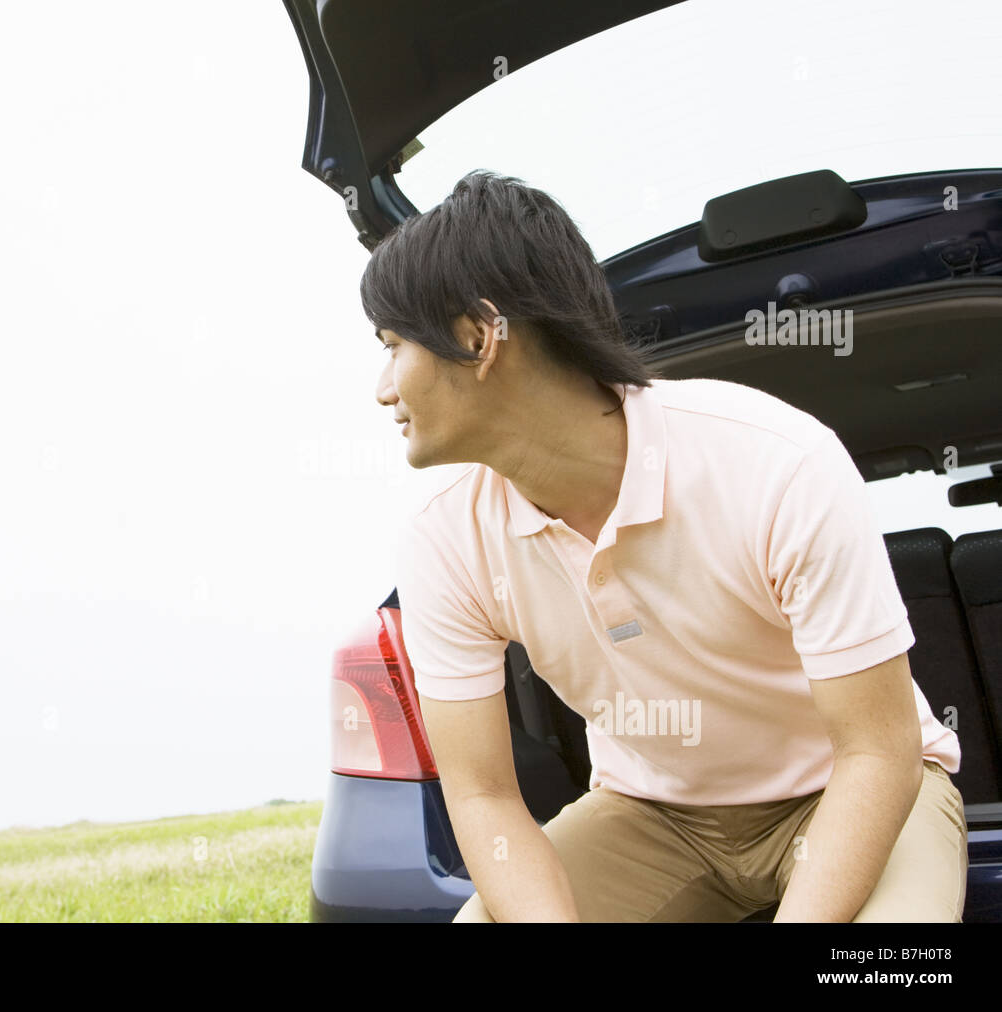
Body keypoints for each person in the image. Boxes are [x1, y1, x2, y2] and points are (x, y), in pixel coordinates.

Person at [369, 169, 966, 922]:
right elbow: (484, 794)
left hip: (857, 790)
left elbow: (877, 754)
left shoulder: (776, 461)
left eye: (394, 346)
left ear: (478, 337)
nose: (384, 388)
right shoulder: (443, 540)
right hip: (655, 817)